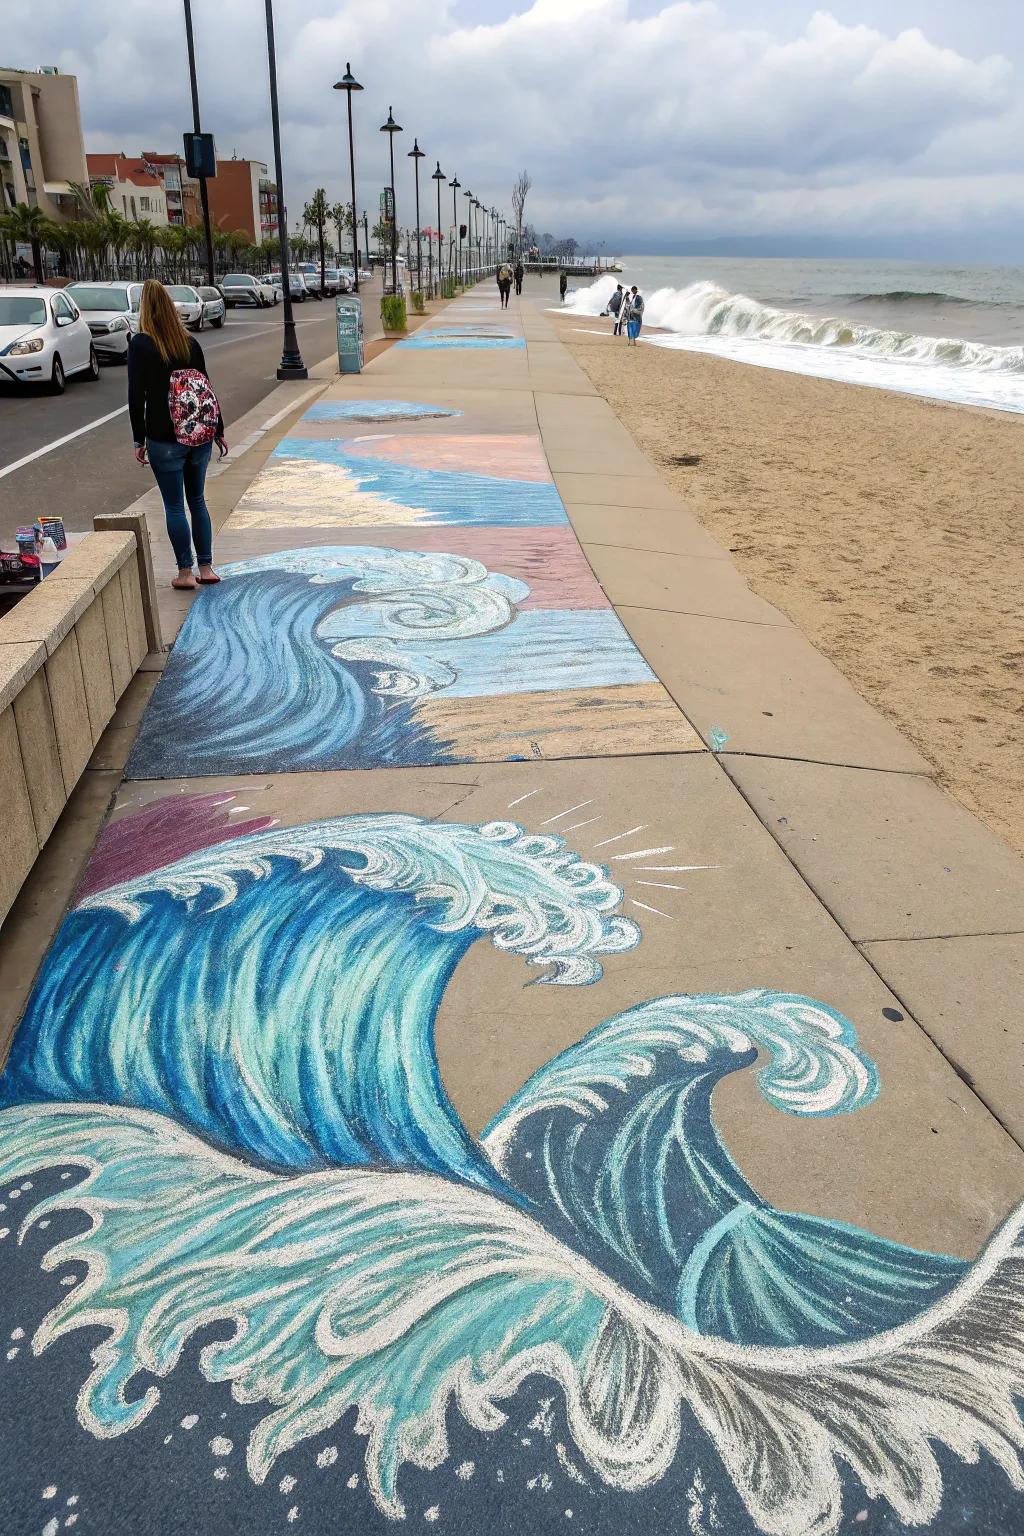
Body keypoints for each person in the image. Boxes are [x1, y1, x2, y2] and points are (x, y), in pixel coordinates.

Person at [128, 279, 227, 591]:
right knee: (197, 500)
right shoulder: (189, 343)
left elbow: (136, 396)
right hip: (198, 437)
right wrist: (218, 430)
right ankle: (206, 568)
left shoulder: (141, 344)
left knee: (174, 506)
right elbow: (206, 387)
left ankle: (185, 573)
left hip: (164, 437)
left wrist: (139, 438)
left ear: (145, 309)